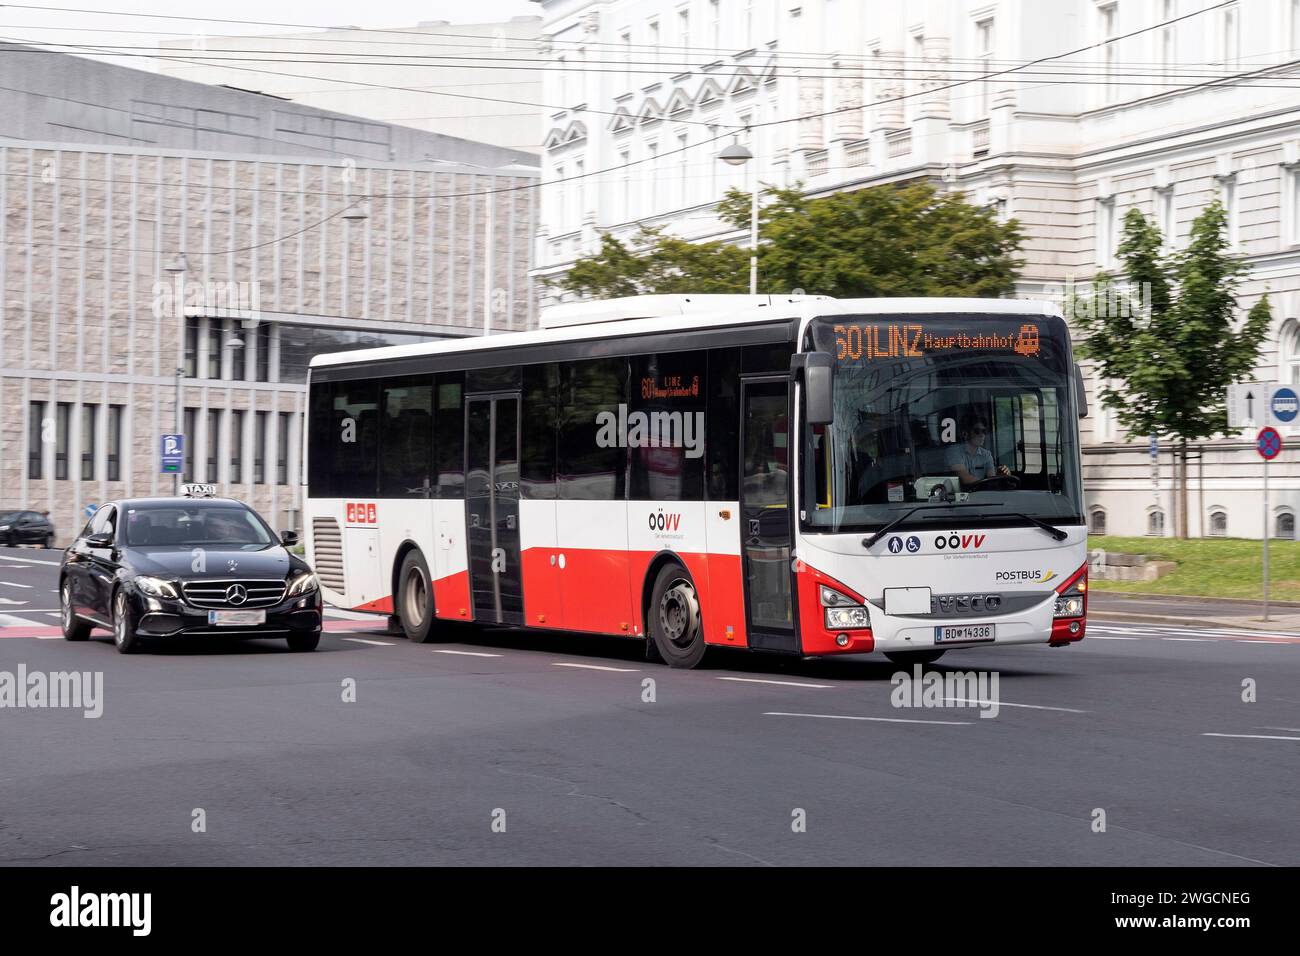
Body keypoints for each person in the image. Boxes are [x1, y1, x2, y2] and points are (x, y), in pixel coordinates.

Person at [946, 413, 1011, 487]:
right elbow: (965, 479)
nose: (982, 435)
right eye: (977, 431)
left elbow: (992, 480)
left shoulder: (986, 454)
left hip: (981, 495)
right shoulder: (953, 452)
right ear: (965, 434)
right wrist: (987, 483)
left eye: (984, 431)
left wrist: (1002, 475)